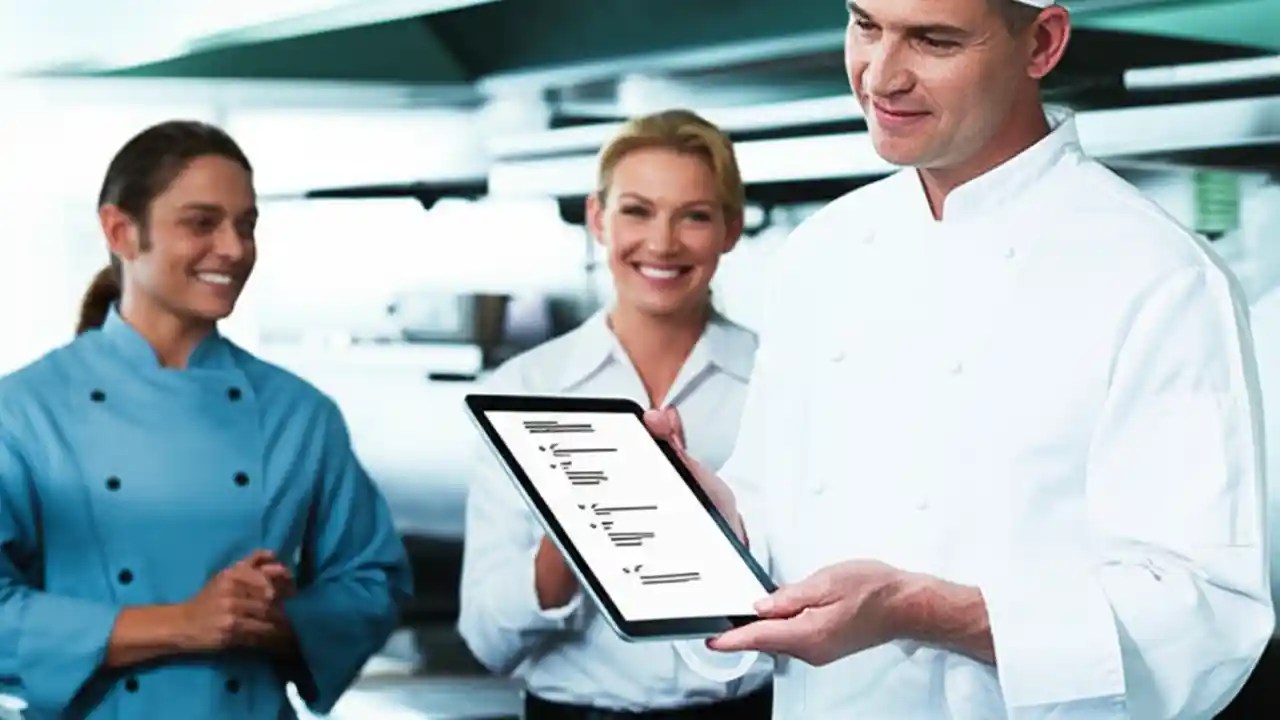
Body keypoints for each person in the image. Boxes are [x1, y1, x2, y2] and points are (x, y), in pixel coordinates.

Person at [642, 0, 1274, 717]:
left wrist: (921, 610)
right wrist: (708, 518)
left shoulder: (1159, 277)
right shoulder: (821, 252)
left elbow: (1201, 619)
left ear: (1041, 43)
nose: (880, 76)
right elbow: (778, 516)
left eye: (933, 40)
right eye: (865, 25)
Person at [0, 120, 413, 719]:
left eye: (246, 226)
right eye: (202, 223)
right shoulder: (25, 411)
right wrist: (180, 625)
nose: (235, 248)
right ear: (120, 231)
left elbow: (372, 582)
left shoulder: (299, 415)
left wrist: (279, 625)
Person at [457, 109, 774, 719]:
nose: (662, 243)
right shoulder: (528, 388)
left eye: (695, 216)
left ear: (730, 230)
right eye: (637, 210)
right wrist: (574, 533)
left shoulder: (779, 381)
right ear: (597, 219)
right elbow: (487, 640)